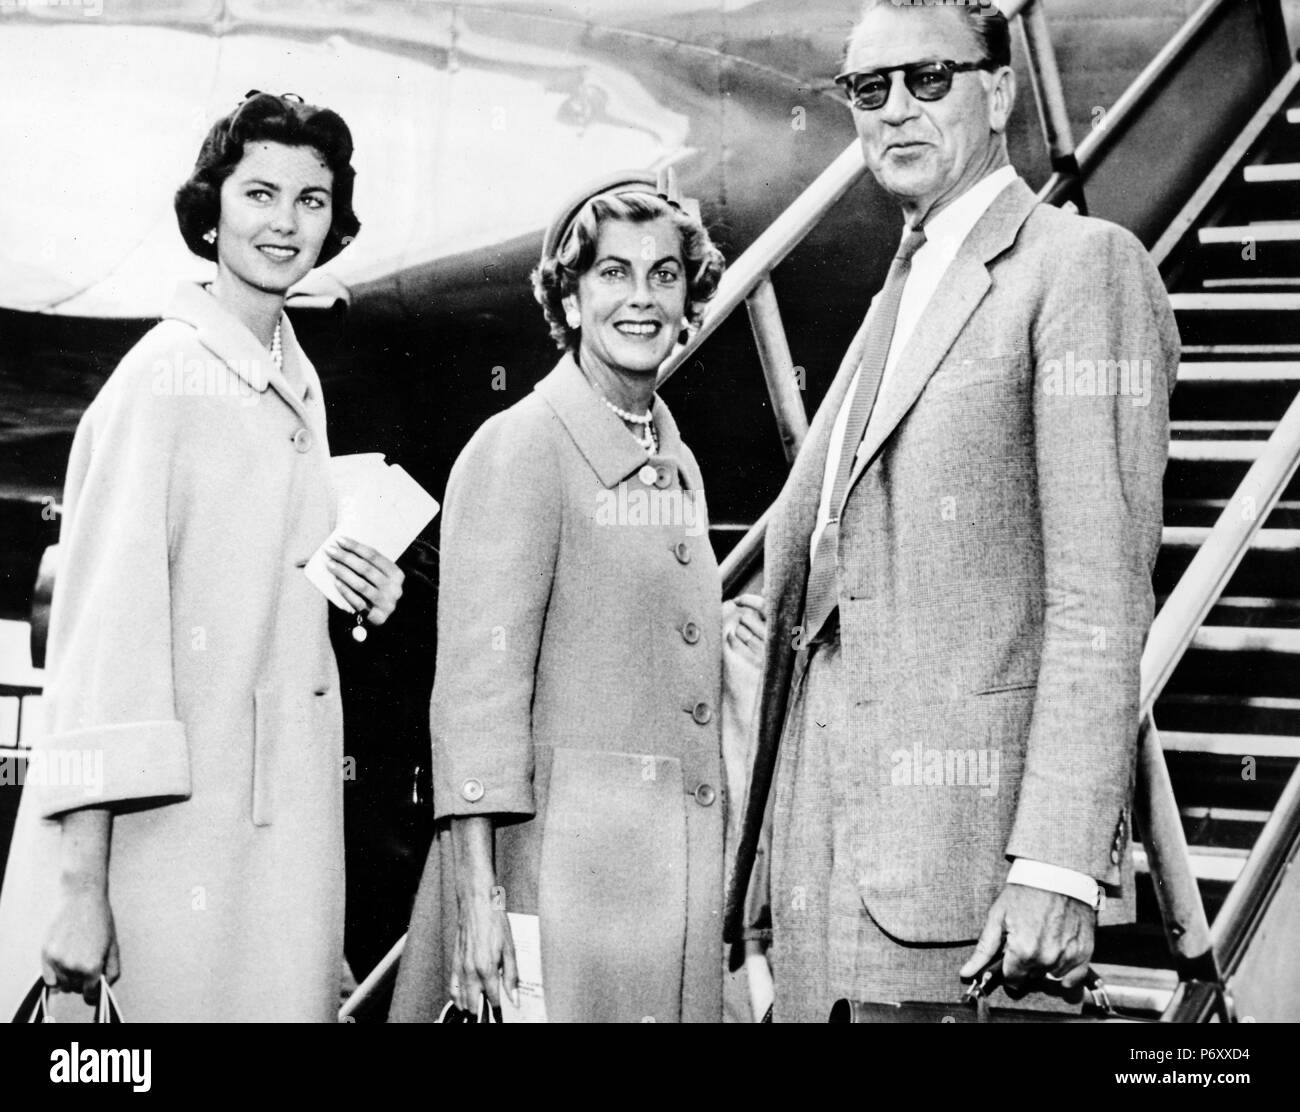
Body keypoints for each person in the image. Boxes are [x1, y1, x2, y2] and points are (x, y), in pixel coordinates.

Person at [725, 0, 1181, 1022]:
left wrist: (1058, 863)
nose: (893, 111)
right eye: (867, 89)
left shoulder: (1078, 266)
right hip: (827, 887)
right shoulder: (899, 295)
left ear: (1001, 86)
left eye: (926, 80)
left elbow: (1098, 594)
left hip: (965, 902)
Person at [0, 91, 405, 1022]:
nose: (285, 222)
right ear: (210, 207)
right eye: (259, 193)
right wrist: (79, 888)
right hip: (161, 846)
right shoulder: (162, 383)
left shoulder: (291, 380)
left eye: (312, 200)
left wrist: (355, 593)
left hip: (266, 852)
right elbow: (101, 651)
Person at [389, 170, 765, 1023]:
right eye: (612, 273)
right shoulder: (521, 445)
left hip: (656, 886)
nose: (641, 298)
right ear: (569, 297)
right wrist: (475, 902)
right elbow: (477, 698)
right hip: (550, 887)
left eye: (664, 274)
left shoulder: (677, 458)